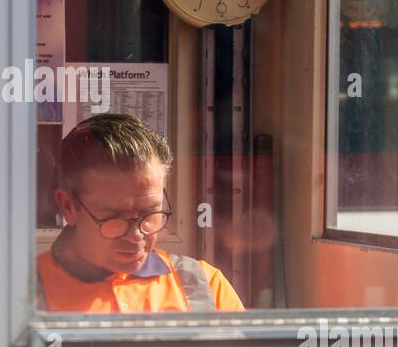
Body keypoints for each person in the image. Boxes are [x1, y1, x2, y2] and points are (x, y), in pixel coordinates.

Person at [37, 112, 243, 312]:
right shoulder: (22, 296)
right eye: (115, 218)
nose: (136, 236)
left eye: (150, 213)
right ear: (68, 207)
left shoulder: (205, 285)